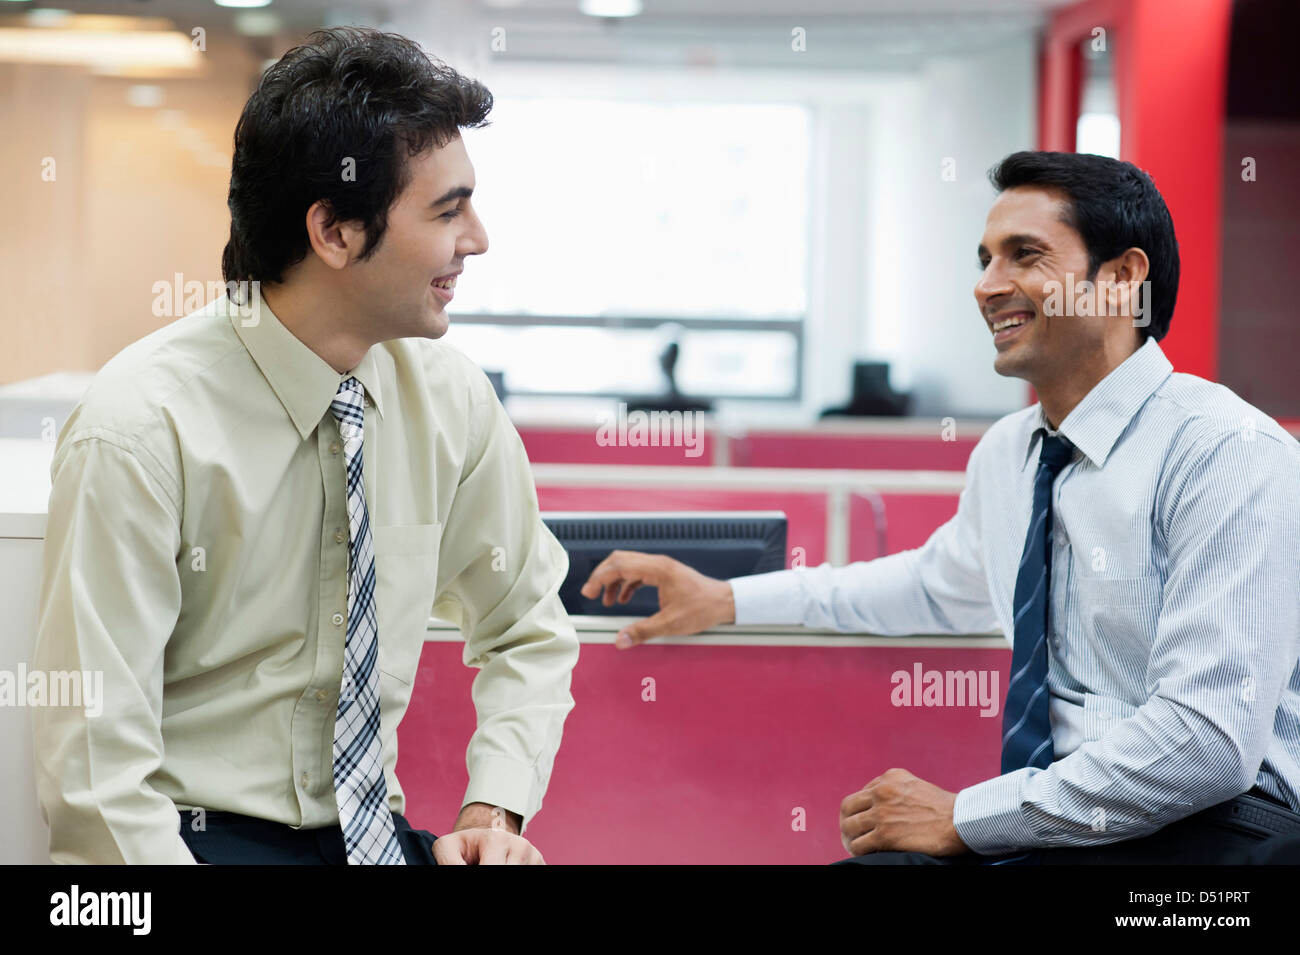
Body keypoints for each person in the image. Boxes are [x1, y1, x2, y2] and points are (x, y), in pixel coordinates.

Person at [581, 151, 1300, 864]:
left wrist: (967, 813)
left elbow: (1208, 740)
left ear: (1120, 279)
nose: (988, 286)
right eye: (985, 259)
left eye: (1024, 255)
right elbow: (931, 585)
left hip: (1213, 835)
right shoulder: (1012, 452)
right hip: (1057, 825)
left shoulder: (1224, 451)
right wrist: (726, 596)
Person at [31, 26, 578, 865]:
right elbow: (97, 773)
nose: (478, 239)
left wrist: (491, 814)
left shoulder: (449, 399)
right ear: (336, 231)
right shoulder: (142, 428)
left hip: (373, 835)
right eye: (447, 209)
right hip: (195, 838)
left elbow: (526, 624)